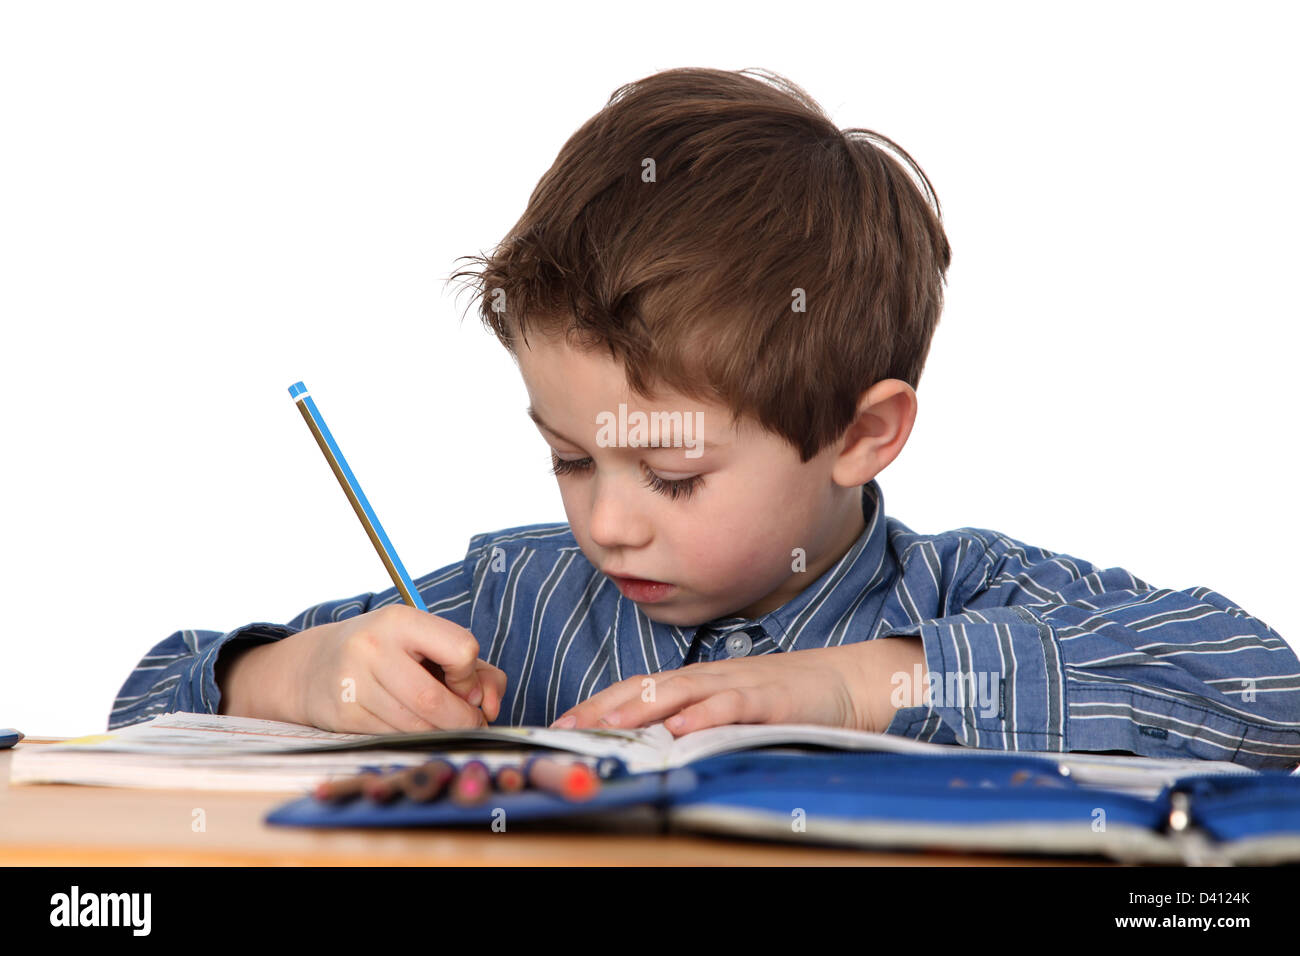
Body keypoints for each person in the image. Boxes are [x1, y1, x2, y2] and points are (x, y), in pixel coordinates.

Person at [110, 67, 1300, 769]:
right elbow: (142, 700)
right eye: (569, 457)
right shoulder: (511, 601)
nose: (607, 524)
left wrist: (860, 691)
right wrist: (295, 676)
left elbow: (1263, 690)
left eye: (672, 475)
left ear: (862, 433)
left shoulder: (970, 596)